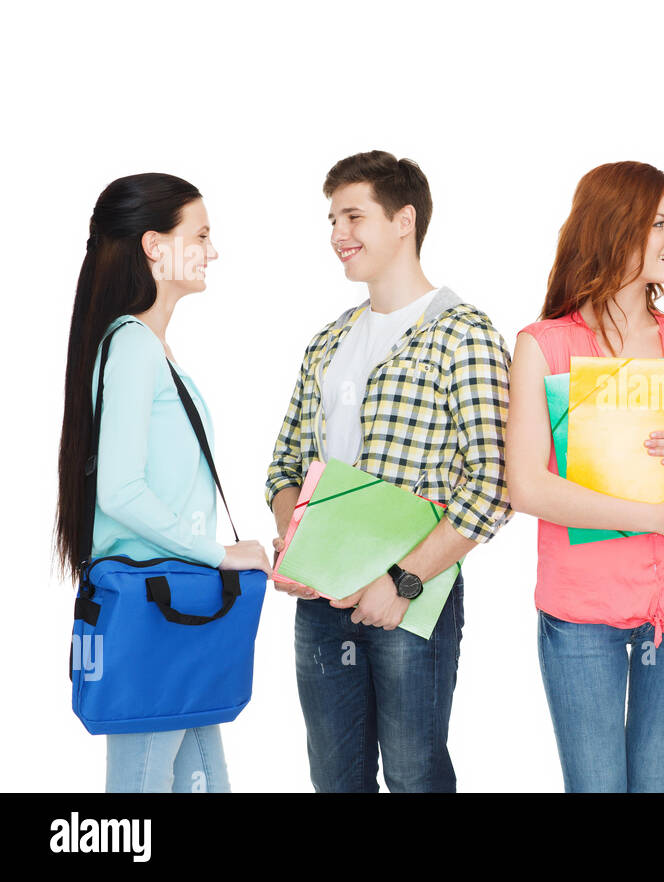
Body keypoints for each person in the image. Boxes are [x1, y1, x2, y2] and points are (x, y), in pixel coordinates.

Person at [265, 150, 512, 793]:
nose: (337, 235)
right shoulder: (328, 340)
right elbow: (286, 464)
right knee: (334, 778)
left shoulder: (465, 335)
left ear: (404, 221)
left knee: (414, 774)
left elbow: (494, 484)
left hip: (413, 598)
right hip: (321, 600)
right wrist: (294, 545)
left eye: (353, 216)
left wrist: (400, 582)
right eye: (331, 219)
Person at [506, 161, 664, 792]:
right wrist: (653, 519)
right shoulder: (543, 346)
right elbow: (526, 486)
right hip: (584, 610)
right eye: (661, 223)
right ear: (615, 230)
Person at [55, 173, 272, 792]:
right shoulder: (134, 347)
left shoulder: (148, 344)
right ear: (155, 245)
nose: (213, 250)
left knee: (204, 784)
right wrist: (219, 552)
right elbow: (119, 492)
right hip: (159, 607)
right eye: (200, 235)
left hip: (175, 608)